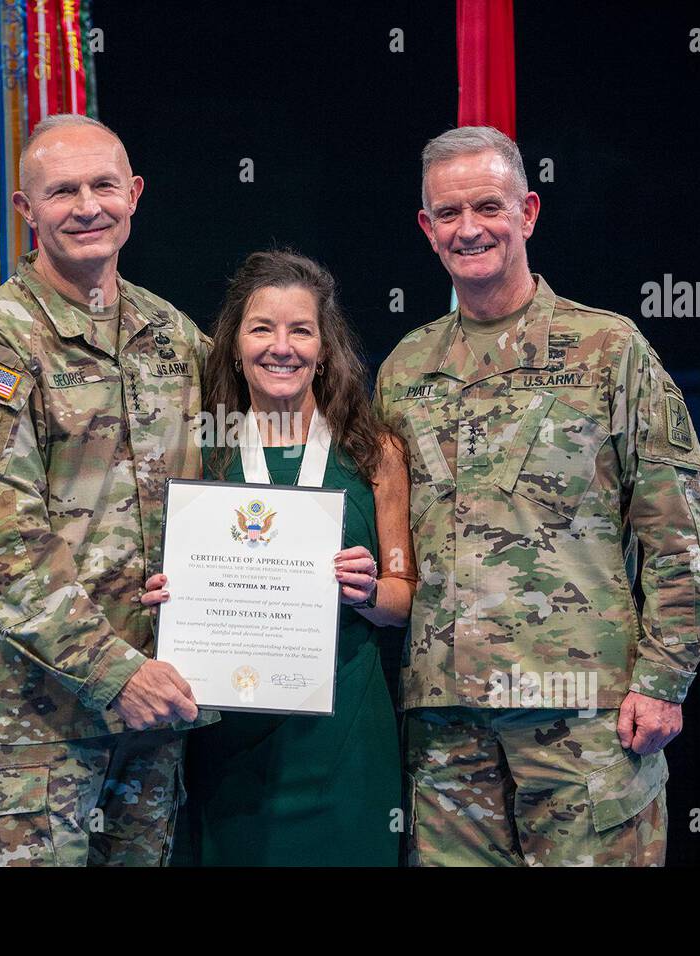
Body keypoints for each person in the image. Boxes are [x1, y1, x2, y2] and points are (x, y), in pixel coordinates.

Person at [376, 126, 700, 866]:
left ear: (528, 212)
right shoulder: (404, 368)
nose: (469, 228)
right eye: (448, 213)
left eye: (488, 206)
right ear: (426, 228)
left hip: (585, 712)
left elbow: (678, 529)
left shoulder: (609, 349)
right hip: (448, 724)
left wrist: (666, 679)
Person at [0, 114, 216, 867]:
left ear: (136, 195)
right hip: (43, 724)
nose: (87, 206)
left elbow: (258, 465)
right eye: (62, 191)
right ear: (27, 211)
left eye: (103, 185)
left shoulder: (172, 334)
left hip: (157, 712)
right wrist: (113, 673)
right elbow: (3, 547)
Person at [144, 250, 416, 866]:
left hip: (344, 732)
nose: (281, 347)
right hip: (232, 739)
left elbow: (404, 597)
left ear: (325, 347)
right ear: (234, 344)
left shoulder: (376, 451)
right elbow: (166, 578)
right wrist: (168, 596)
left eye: (301, 330)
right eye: (262, 328)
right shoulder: (198, 452)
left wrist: (370, 592)